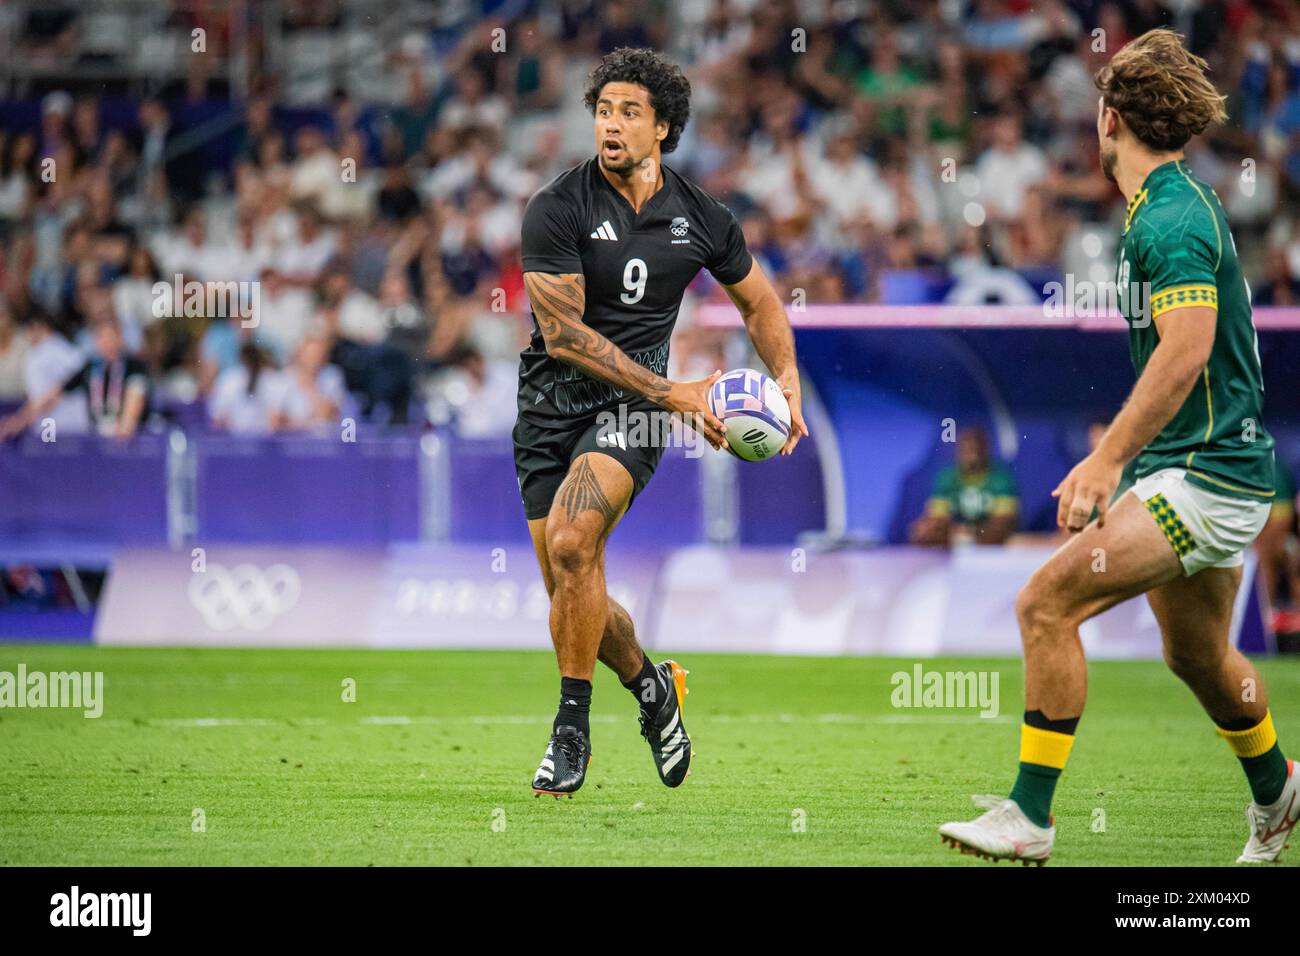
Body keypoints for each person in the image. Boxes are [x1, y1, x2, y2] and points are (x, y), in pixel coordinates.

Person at [940, 29, 1296, 866]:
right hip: (1208, 465)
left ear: (1108, 120)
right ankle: (1280, 791)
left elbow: (1186, 350)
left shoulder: (1167, 220)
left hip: (1208, 477)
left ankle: (1030, 816)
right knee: (1199, 655)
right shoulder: (1174, 204)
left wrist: (1106, 462)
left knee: (1045, 605)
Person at [516, 47, 807, 797]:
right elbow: (565, 338)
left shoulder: (702, 218)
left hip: (634, 414)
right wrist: (678, 391)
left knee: (577, 544)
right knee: (570, 590)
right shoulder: (556, 206)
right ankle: (654, 688)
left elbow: (763, 305)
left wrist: (788, 384)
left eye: (629, 112)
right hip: (550, 411)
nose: (610, 125)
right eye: (603, 110)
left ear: (663, 127)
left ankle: (569, 731)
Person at [1, 316, 148, 440]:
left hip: (126, 439)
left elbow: (134, 400)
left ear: (120, 338)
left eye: (110, 336)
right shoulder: (91, 367)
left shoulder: (135, 367)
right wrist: (19, 421)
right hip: (97, 438)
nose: (105, 342)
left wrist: (126, 425)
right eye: (100, 337)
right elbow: (51, 396)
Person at [909, 426, 1019, 546]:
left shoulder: (1000, 478)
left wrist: (970, 534)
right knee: (923, 531)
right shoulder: (946, 477)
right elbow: (938, 518)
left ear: (985, 451)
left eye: (974, 449)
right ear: (958, 451)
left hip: (988, 538)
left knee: (1001, 530)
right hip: (955, 537)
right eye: (965, 450)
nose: (970, 455)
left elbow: (1004, 520)